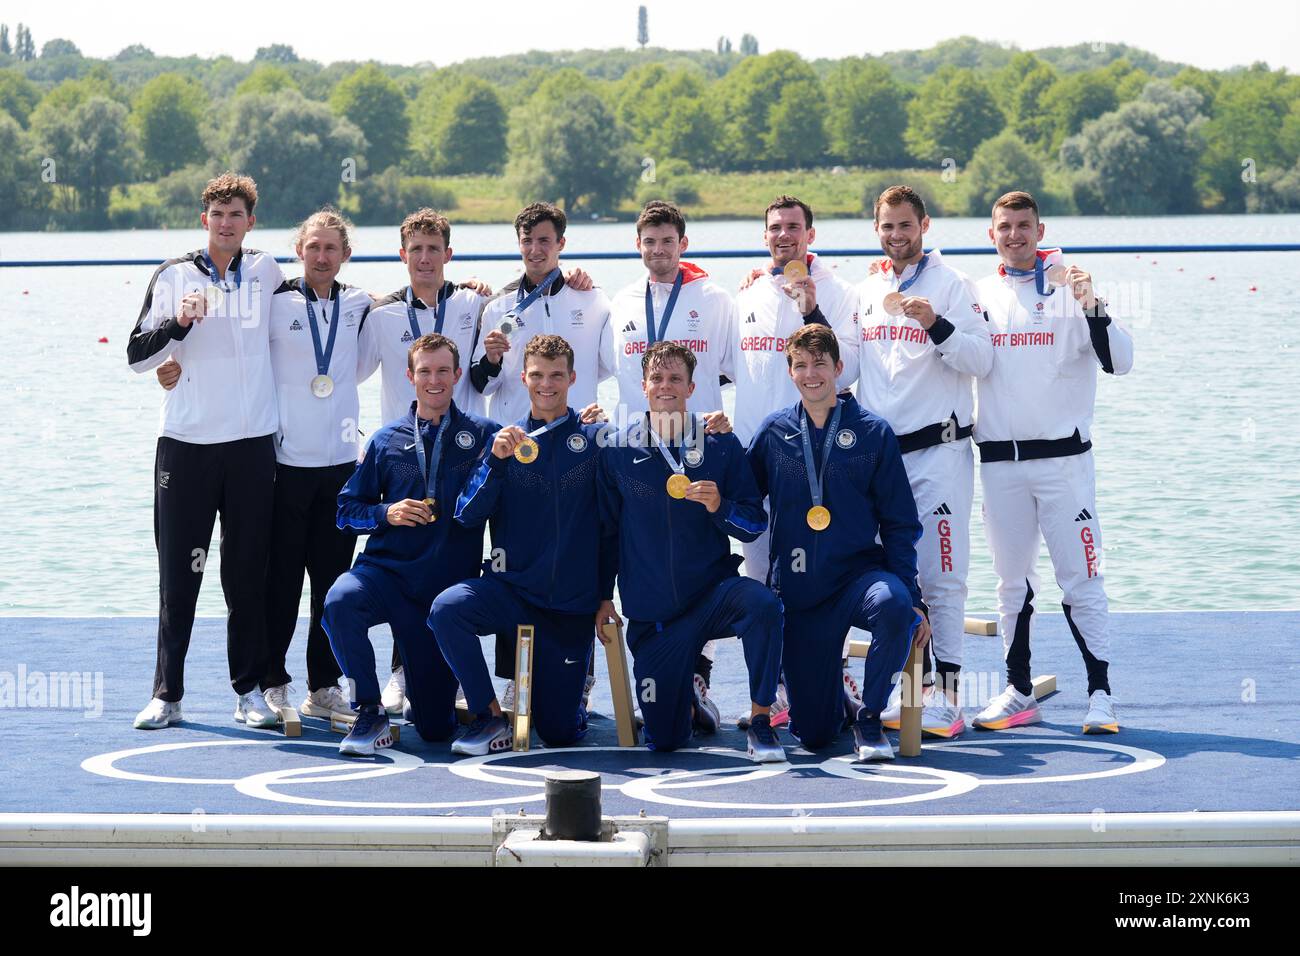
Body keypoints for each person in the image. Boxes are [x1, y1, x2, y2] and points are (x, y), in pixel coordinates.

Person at [156, 207, 370, 724]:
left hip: (341, 464)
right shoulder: (272, 297)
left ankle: (324, 686)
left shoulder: (364, 306)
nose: (322, 256)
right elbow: (223, 340)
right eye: (313, 247)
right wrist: (172, 365)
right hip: (280, 461)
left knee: (331, 583)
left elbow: (405, 319)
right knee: (276, 582)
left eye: (331, 248)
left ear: (345, 255)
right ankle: (270, 681)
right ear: (298, 251)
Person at [127, 172, 285, 731]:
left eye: (235, 213)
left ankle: (248, 692)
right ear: (204, 220)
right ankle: (167, 694)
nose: (225, 222)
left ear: (250, 221)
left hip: (249, 449)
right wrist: (179, 325)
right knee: (179, 575)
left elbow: (319, 304)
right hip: (187, 448)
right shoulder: (172, 275)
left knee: (246, 574)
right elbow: (136, 355)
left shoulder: (268, 272)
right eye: (216, 214)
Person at [973, 190, 1134, 734]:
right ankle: (1019, 689)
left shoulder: (1073, 286)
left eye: (1023, 226)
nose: (1014, 235)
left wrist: (1092, 304)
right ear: (991, 234)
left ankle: (1101, 694)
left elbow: (1121, 362)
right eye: (1004, 226)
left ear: (1040, 231)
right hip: (999, 463)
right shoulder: (977, 295)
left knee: (1081, 579)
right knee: (1010, 582)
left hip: (1065, 463)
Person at [428, 334, 617, 754]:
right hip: (510, 592)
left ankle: (574, 684)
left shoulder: (594, 441)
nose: (545, 384)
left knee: (559, 733)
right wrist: (495, 460)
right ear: (523, 377)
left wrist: (604, 595)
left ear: (572, 378)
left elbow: (611, 528)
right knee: (447, 609)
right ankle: (489, 716)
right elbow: (466, 514)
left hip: (570, 604)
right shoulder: (505, 441)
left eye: (555, 375)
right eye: (536, 375)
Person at [748, 325, 929, 761]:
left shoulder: (872, 432)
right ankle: (834, 702)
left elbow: (900, 522)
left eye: (820, 364)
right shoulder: (773, 432)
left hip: (857, 579)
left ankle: (869, 718)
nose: (812, 375)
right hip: (799, 592)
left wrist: (915, 596)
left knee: (893, 604)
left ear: (839, 368)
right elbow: (744, 502)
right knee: (813, 734)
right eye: (801, 365)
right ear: (790, 372)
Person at [597, 341, 784, 762]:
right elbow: (606, 532)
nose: (666, 386)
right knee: (665, 740)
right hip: (654, 617)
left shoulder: (719, 444)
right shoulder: (617, 449)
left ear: (692, 386)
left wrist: (722, 508)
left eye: (675, 379)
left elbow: (754, 525)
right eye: (657, 379)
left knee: (764, 605)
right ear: (642, 386)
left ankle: (760, 722)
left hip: (711, 597)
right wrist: (603, 595)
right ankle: (689, 695)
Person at [856, 185, 993, 739]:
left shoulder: (955, 285)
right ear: (876, 230)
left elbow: (983, 359)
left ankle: (949, 695)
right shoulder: (867, 289)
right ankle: (901, 686)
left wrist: (938, 324)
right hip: (881, 461)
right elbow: (845, 367)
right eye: (887, 227)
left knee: (942, 575)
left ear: (925, 225)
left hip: (939, 451)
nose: (896, 236)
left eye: (905, 226)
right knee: (890, 575)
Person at [322, 334, 498, 755]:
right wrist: (387, 513)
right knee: (339, 602)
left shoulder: (485, 436)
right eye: (424, 371)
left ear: (458, 376)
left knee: (435, 728)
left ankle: (438, 699)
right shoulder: (385, 440)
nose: (433, 380)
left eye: (442, 371)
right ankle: (369, 710)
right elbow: (346, 510)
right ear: (409, 376)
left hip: (441, 594)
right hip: (386, 577)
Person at [734, 195, 863, 726]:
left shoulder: (842, 292)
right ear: (765, 236)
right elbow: (712, 370)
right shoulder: (739, 297)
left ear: (811, 234)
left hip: (818, 460)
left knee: (822, 576)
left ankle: (835, 673)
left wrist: (812, 308)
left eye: (793, 227)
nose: (783, 236)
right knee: (759, 575)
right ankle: (771, 691)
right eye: (774, 229)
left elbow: (850, 369)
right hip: (755, 459)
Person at [608, 199, 738, 715]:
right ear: (637, 246)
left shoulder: (716, 297)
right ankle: (659, 678)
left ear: (683, 245)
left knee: (705, 566)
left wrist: (724, 424)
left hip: (700, 454)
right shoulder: (617, 303)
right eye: (649, 241)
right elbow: (594, 368)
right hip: (637, 455)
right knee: (642, 562)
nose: (658, 250)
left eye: (668, 241)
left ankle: (698, 679)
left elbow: (736, 369)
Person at [470, 202, 614, 427]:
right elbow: (482, 385)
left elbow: (606, 367)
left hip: (577, 434)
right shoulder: (498, 307)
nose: (534, 250)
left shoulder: (592, 300)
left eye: (544, 241)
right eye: (527, 241)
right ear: (519, 244)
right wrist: (491, 360)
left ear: (561, 243)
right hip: (517, 435)